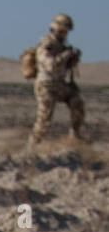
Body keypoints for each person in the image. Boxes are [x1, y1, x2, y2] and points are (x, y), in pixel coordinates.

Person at [29, 14, 86, 147]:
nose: (65, 34)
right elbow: (50, 65)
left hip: (59, 84)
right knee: (44, 119)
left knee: (77, 102)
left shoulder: (61, 45)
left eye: (67, 31)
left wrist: (73, 59)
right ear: (56, 28)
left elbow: (64, 67)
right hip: (46, 85)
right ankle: (32, 147)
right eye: (63, 30)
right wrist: (66, 55)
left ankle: (75, 136)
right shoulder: (46, 45)